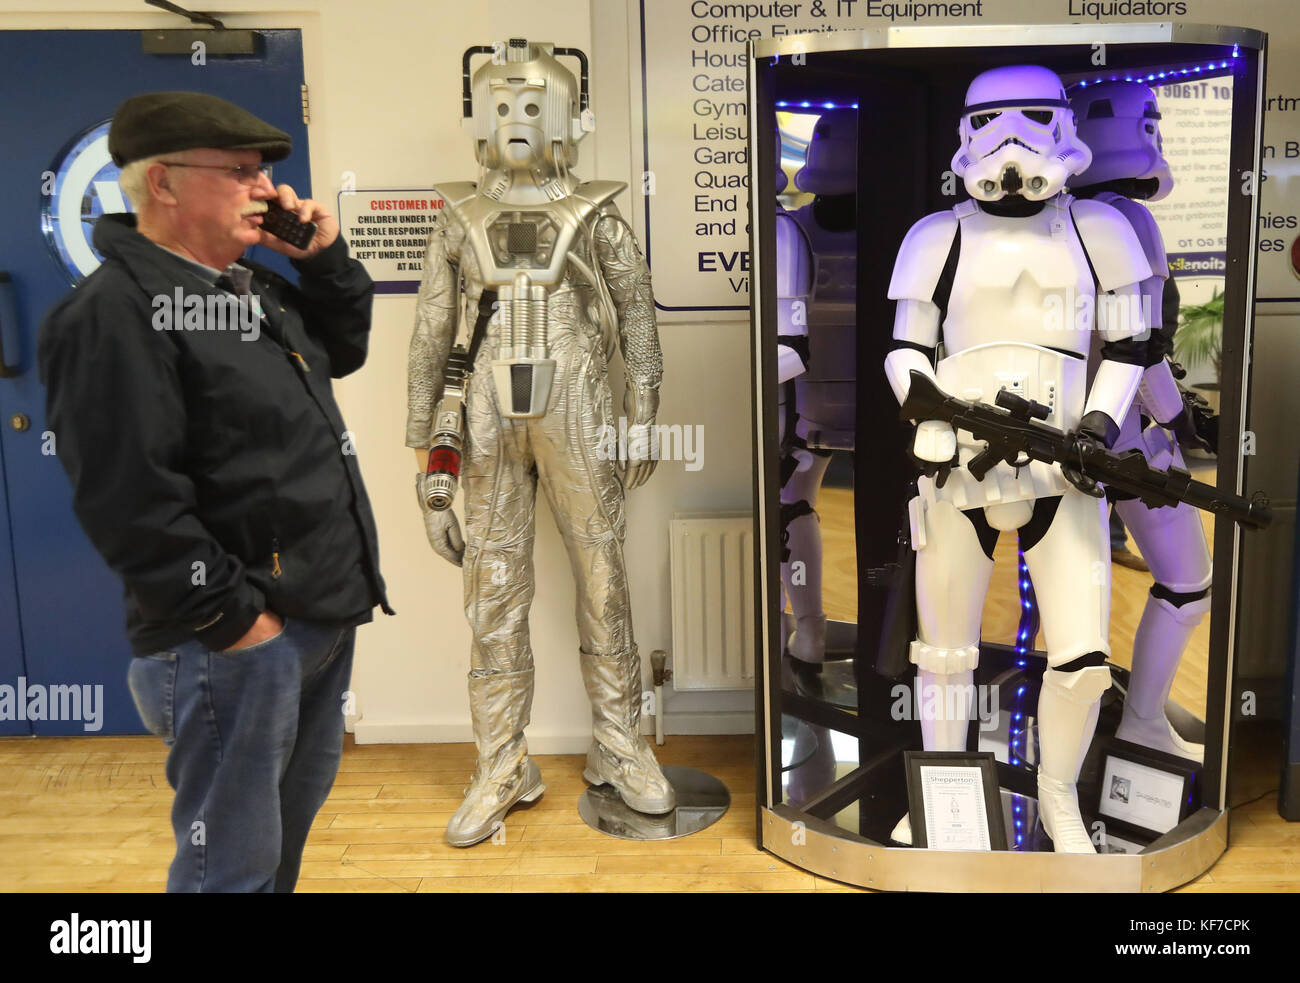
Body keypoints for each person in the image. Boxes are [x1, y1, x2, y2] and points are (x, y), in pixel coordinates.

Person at [38, 91, 392, 892]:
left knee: (275, 853)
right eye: (238, 172)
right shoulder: (113, 314)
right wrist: (235, 623)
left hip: (317, 618)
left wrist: (321, 260)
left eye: (264, 172)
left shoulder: (246, 288)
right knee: (226, 869)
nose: (265, 190)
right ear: (162, 184)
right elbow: (129, 502)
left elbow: (343, 347)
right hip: (232, 645)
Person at [408, 39, 674, 847]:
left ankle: (620, 747)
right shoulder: (457, 219)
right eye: (503, 106)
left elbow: (636, 310)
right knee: (492, 592)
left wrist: (644, 407)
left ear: (563, 119)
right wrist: (425, 454)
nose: (516, 121)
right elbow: (429, 334)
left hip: (582, 404)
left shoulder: (596, 214)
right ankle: (500, 764)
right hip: (486, 414)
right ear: (479, 119)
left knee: (602, 577)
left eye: (533, 107)